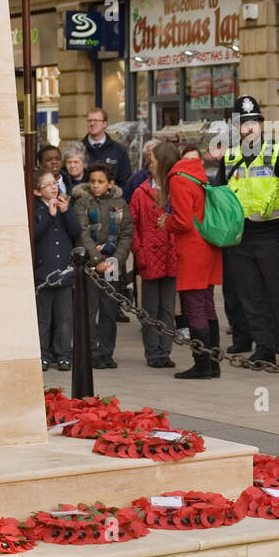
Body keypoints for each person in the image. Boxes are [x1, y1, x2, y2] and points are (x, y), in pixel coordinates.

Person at [213, 95, 279, 366]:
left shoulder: (278, 154)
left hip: (269, 234)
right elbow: (221, 193)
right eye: (243, 123)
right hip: (239, 237)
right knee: (251, 296)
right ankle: (264, 347)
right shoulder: (229, 156)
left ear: (261, 124)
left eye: (253, 122)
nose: (249, 128)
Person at [154, 140, 222, 379]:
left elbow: (183, 221)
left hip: (193, 250)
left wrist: (166, 222)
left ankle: (202, 365)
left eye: (152, 161)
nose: (151, 165)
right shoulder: (196, 174)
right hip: (208, 247)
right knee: (206, 304)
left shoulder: (177, 179)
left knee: (194, 307)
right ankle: (213, 364)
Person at [71, 161, 132, 369]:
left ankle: (107, 352)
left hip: (113, 264)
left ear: (110, 183)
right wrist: (96, 260)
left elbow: (126, 234)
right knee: (90, 311)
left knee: (108, 310)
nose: (96, 185)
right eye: (93, 181)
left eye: (101, 182)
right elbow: (82, 233)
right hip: (91, 265)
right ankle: (92, 351)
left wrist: (115, 260)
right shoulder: (82, 202)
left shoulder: (120, 203)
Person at [129, 154, 178, 368]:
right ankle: (152, 352)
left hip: (171, 254)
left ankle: (165, 351)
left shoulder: (174, 189)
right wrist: (140, 251)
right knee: (150, 308)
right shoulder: (140, 193)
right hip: (150, 254)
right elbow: (131, 225)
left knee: (168, 308)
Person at [32, 169, 79, 372]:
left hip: (64, 272)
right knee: (43, 319)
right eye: (48, 184)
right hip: (44, 272)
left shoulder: (65, 207)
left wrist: (65, 211)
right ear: (37, 192)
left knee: (64, 318)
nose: (54, 187)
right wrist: (50, 216)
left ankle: (63, 355)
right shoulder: (36, 210)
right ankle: (43, 355)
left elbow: (76, 231)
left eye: (55, 183)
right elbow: (34, 236)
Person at [82, 107, 132, 186]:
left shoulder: (118, 150)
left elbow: (126, 180)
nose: (92, 124)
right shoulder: (79, 149)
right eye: (89, 121)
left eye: (96, 121)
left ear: (104, 124)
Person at [123, 139, 159, 204]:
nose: (152, 158)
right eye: (149, 154)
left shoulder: (169, 177)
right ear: (145, 156)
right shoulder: (136, 179)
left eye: (156, 154)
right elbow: (126, 202)